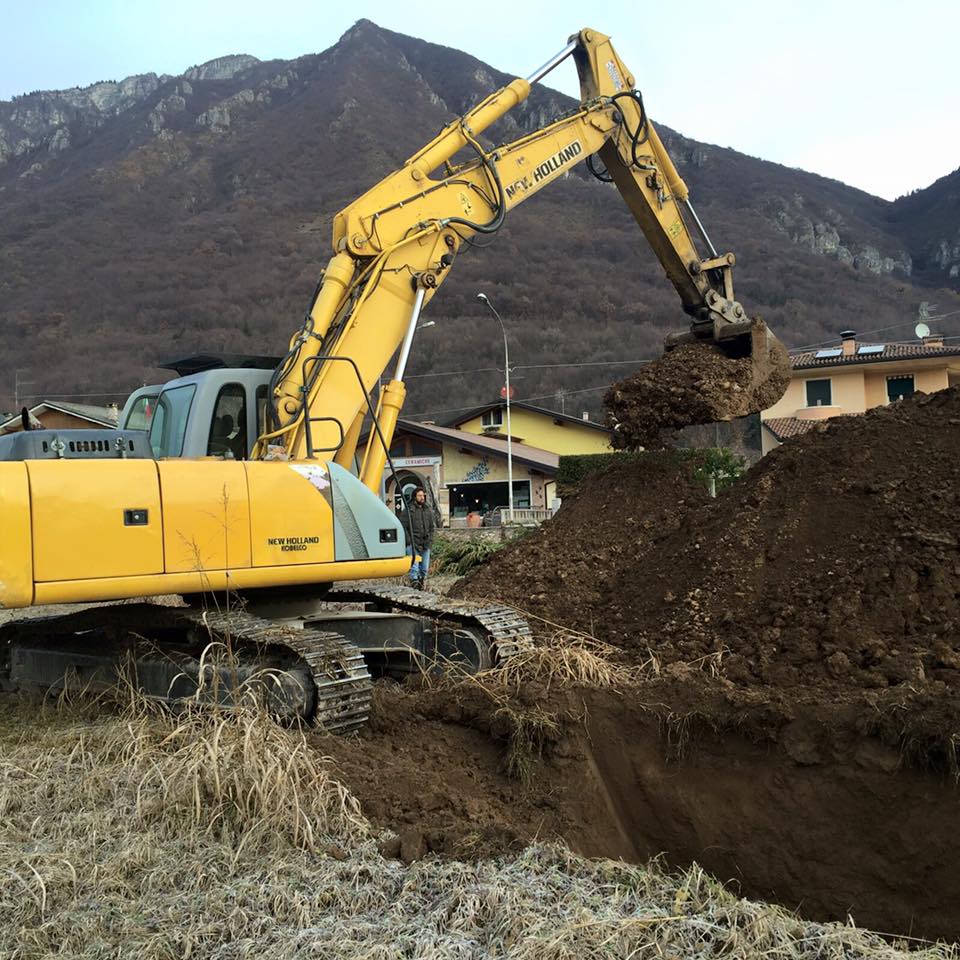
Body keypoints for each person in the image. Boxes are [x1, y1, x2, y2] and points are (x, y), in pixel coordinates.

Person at [404, 486, 436, 590]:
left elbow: (432, 527)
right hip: (413, 544)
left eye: (423, 495)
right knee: (414, 569)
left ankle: (421, 588)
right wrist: (409, 542)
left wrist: (430, 540)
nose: (422, 497)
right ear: (414, 497)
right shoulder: (408, 510)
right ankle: (415, 589)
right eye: (419, 495)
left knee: (424, 569)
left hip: (425, 544)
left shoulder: (428, 510)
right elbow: (403, 527)